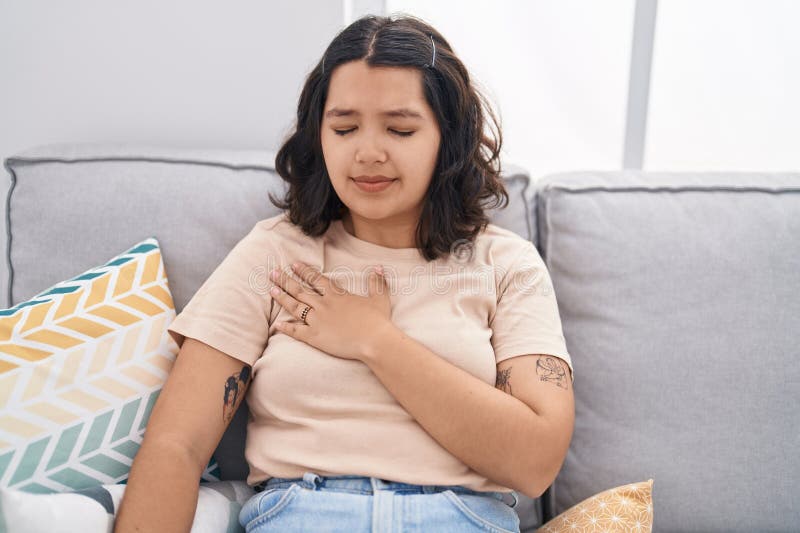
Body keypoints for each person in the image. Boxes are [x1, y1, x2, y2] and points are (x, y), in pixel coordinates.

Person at [114, 13, 575, 533]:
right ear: (320, 136)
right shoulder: (273, 254)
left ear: (447, 139)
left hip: (459, 517)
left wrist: (374, 340)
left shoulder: (508, 265)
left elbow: (535, 463)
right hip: (304, 515)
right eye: (344, 128)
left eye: (400, 129)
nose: (368, 153)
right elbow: (177, 445)